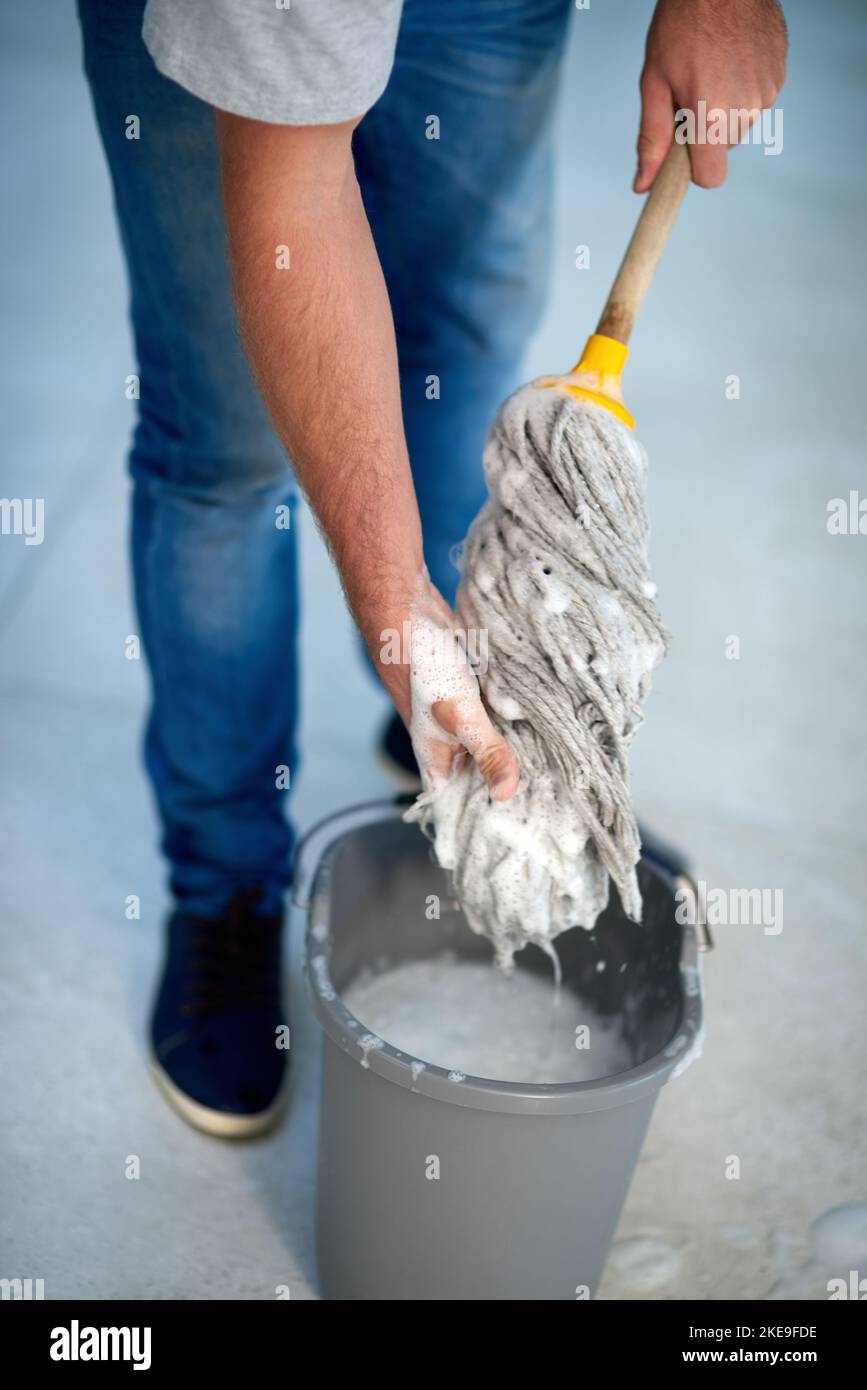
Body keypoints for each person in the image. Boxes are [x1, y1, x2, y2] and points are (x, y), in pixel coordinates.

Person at [77, 0, 786, 1137]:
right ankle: (223, 884)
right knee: (223, 447)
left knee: (459, 360)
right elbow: (291, 201)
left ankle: (454, 738)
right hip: (230, 34)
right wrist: (397, 600)